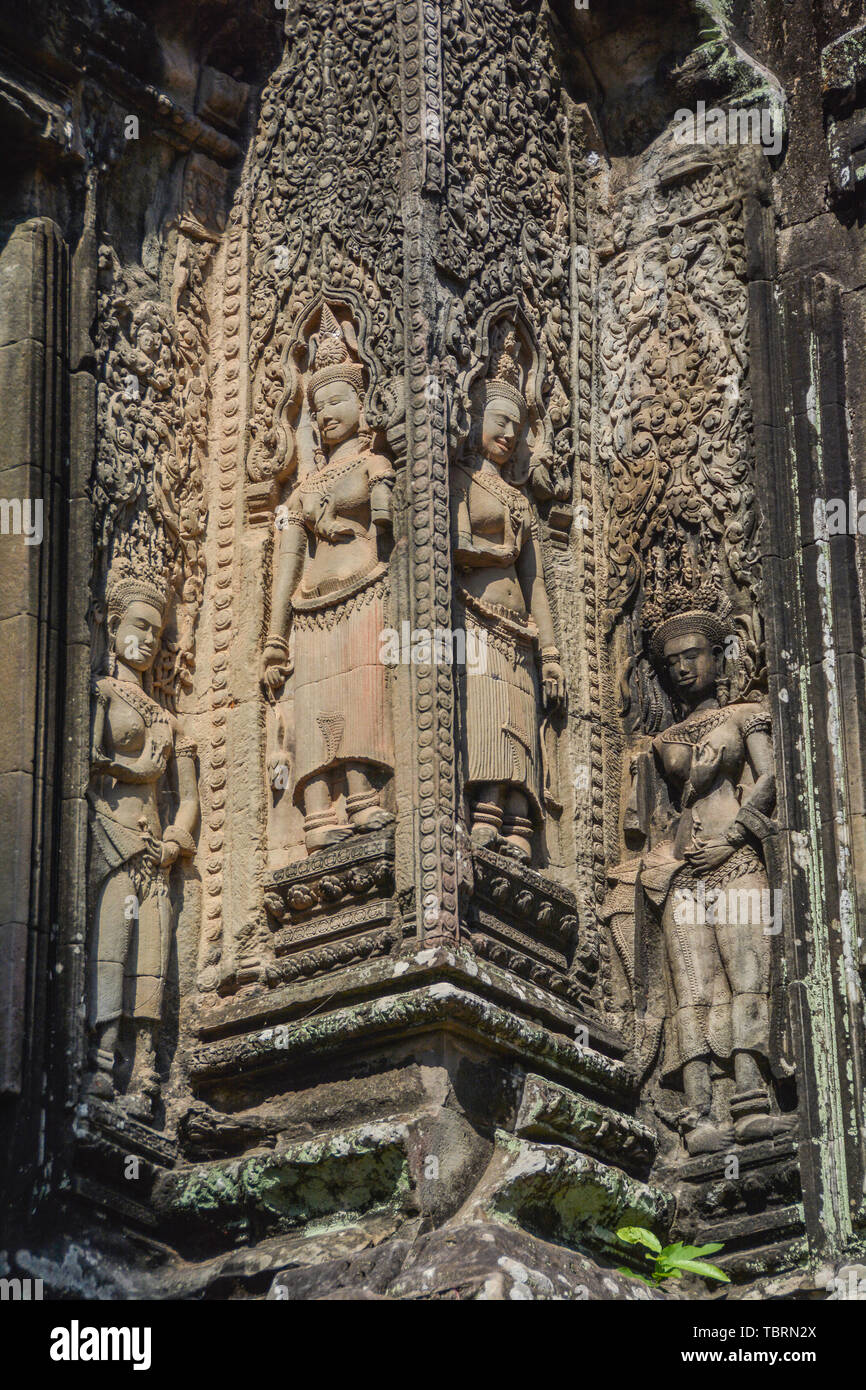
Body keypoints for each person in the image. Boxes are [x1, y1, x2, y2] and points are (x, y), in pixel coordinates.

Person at [262, 305, 395, 852]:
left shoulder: (372, 465)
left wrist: (377, 495)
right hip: (311, 611)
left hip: (366, 590)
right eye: (317, 407)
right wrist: (273, 640)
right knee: (316, 710)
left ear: (362, 404)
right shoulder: (300, 490)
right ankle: (318, 813)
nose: (326, 414)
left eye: (337, 400)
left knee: (362, 698)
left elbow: (391, 524)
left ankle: (364, 798)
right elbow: (285, 567)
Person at [87, 568, 198, 1117]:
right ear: (112, 629)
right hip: (113, 832)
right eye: (138, 626)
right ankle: (102, 1063)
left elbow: (188, 798)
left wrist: (177, 841)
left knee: (152, 956)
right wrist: (135, 771)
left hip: (156, 850)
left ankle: (146, 1070)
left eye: (157, 632)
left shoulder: (171, 721)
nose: (148, 640)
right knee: (113, 945)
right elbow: (89, 760)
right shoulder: (103, 693)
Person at [451, 333, 564, 862]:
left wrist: (554, 653)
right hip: (475, 619)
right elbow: (450, 546)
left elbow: (537, 581)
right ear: (474, 420)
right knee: (486, 715)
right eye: (499, 420)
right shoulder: (460, 479)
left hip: (521, 631)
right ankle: (486, 812)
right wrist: (497, 551)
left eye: (516, 427)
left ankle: (519, 821)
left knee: (520, 722)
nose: (508, 433)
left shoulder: (518, 500)